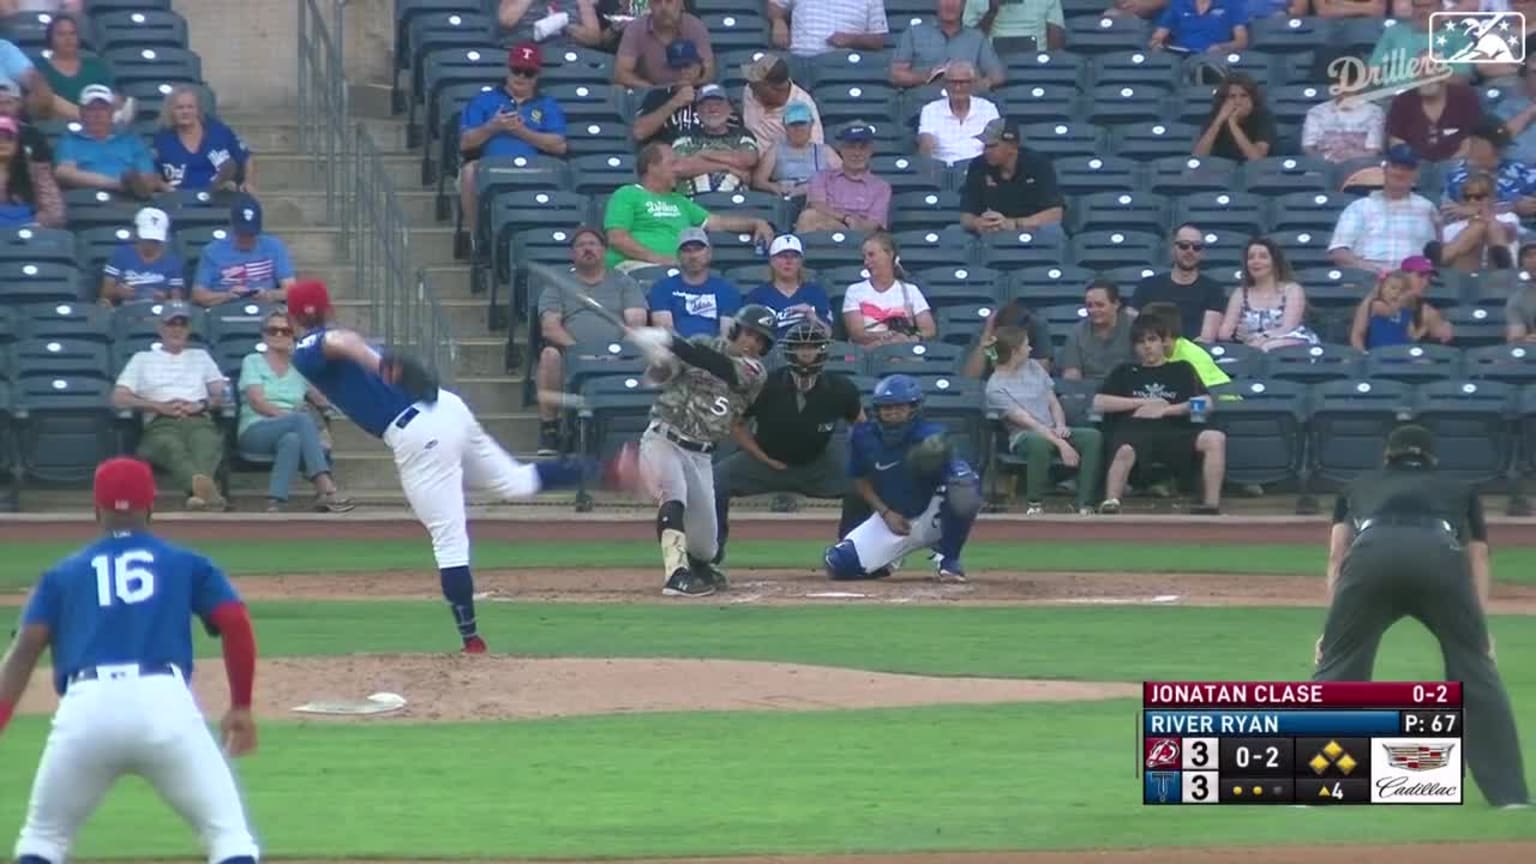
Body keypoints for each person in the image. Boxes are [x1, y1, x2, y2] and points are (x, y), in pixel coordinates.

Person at [285, 279, 628, 651]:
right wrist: (382, 363)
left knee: (448, 538)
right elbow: (344, 340)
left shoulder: (305, 350)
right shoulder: (329, 339)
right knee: (514, 482)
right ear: (329, 308)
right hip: (447, 409)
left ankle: (471, 640)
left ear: (292, 317)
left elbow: (341, 342)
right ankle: (604, 470)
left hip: (416, 431)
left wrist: (381, 364)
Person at [0, 457, 262, 864]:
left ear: (96, 508)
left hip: (86, 711)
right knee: (229, 838)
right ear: (151, 506)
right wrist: (241, 705)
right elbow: (235, 623)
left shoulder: (61, 574)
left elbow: (24, 652)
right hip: (165, 707)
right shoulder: (188, 563)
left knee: (43, 839)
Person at [1315, 424, 1530, 808]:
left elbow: (1337, 554)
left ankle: (1318, 785)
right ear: (1432, 458)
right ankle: (1509, 796)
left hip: (1371, 558)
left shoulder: (1356, 485)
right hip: (1439, 557)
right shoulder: (1460, 488)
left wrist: (1333, 629)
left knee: (1338, 668)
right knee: (1475, 672)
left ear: (1387, 456)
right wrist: (1479, 630)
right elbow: (1479, 555)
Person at [626, 304, 777, 596]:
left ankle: (697, 565)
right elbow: (658, 377)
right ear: (736, 330)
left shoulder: (755, 372)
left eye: (760, 341)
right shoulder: (701, 344)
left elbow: (718, 365)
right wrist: (658, 356)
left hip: (701, 453)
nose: (752, 343)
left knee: (707, 547)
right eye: (749, 334)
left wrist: (669, 340)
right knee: (673, 494)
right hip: (665, 437)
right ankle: (676, 574)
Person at [713, 320, 864, 560]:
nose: (806, 352)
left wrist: (858, 458)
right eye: (800, 346)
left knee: (863, 484)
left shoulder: (841, 388)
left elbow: (862, 425)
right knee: (715, 481)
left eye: (812, 346)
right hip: (764, 462)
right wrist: (762, 457)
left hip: (818, 463)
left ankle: (851, 553)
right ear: (789, 350)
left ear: (822, 350)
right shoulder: (764, 383)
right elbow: (736, 423)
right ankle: (710, 553)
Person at [823, 373, 982, 583]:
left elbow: (962, 476)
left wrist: (948, 467)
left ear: (913, 408)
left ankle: (948, 558)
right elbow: (860, 480)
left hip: (932, 515)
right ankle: (890, 560)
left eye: (900, 406)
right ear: (877, 409)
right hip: (895, 517)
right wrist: (886, 513)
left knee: (964, 488)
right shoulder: (863, 437)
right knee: (839, 564)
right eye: (887, 407)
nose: (893, 412)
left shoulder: (931, 436)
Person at [1094, 315, 1226, 515]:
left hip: (1175, 430)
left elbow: (1205, 404)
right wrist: (1144, 403)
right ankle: (1111, 502)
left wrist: (1166, 410)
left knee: (1215, 438)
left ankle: (1211, 505)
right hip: (1135, 430)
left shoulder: (1181, 369)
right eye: (1141, 342)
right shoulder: (1124, 371)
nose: (1147, 346)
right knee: (1124, 449)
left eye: (1152, 339)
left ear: (1163, 342)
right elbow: (1099, 402)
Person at [533, 227, 646, 454]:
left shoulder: (624, 282)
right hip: (573, 354)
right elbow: (550, 327)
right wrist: (581, 351)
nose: (587, 249)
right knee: (549, 355)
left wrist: (617, 351)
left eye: (593, 244)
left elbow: (636, 322)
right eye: (581, 245)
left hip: (620, 355)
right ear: (572, 253)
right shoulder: (558, 284)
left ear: (604, 250)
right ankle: (550, 429)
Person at [110, 302, 228, 511]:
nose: (177, 329)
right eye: (171, 324)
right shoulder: (142, 359)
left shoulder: (201, 357)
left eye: (182, 324)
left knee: (206, 443)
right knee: (172, 448)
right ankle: (208, 495)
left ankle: (199, 497)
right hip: (160, 424)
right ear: (160, 328)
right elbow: (118, 398)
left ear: (189, 329)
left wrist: (200, 405)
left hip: (198, 420)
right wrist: (157, 406)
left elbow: (223, 394)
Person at [237, 310, 353, 513]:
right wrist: (295, 419)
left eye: (286, 331)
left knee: (292, 440)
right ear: (264, 335)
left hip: (293, 429)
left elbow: (323, 400)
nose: (279, 335)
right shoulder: (252, 361)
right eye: (273, 330)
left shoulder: (300, 367)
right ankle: (325, 485)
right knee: (300, 421)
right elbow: (257, 402)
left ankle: (276, 501)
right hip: (255, 428)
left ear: (294, 336)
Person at [602, 141, 774, 272]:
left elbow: (716, 222)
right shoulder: (627, 194)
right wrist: (660, 259)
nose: (679, 169)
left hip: (674, 270)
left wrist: (755, 223)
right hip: (633, 267)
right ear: (652, 167)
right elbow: (617, 238)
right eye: (672, 163)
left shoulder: (679, 201)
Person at [457, 43, 569, 238]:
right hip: (491, 167)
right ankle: (478, 240)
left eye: (528, 73)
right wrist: (493, 126)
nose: (521, 77)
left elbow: (559, 145)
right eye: (517, 70)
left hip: (534, 168)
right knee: (468, 172)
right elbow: (466, 142)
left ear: (537, 76)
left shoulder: (546, 104)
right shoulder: (484, 99)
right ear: (508, 70)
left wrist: (521, 131)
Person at [987, 326, 1102, 516]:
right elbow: (1028, 422)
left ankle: (1085, 504)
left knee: (1092, 437)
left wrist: (1061, 425)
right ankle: (1035, 503)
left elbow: (1053, 402)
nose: (1030, 348)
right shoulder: (995, 387)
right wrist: (1062, 444)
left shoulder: (1034, 367)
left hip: (1052, 429)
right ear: (1015, 351)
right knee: (1038, 442)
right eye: (1026, 345)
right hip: (1025, 436)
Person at [1328, 146, 1440, 274]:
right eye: (1395, 167)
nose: (1399, 173)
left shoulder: (1427, 208)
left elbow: (1436, 256)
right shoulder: (1359, 207)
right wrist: (1376, 272)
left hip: (1412, 278)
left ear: (1416, 174)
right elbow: (1339, 252)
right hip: (1366, 276)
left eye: (1407, 169)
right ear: (1385, 169)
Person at [53, 85, 164, 199]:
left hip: (132, 200)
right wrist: (117, 184)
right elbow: (64, 173)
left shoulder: (131, 140)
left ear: (111, 112)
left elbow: (147, 175)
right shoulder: (70, 140)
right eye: (91, 109)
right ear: (81, 112)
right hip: (88, 199)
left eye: (103, 109)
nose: (97, 114)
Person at [960, 117, 1064, 239]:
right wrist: (977, 223)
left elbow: (1055, 214)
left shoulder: (1038, 164)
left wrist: (1014, 224)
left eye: (992, 146)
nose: (986, 151)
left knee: (1053, 231)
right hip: (993, 230)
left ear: (1012, 146)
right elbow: (966, 215)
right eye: (985, 146)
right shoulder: (978, 165)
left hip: (1032, 230)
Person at [190, 197, 296, 306]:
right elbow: (198, 295)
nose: (247, 239)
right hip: (226, 308)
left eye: (251, 234)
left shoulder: (274, 246)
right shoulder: (212, 251)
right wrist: (226, 296)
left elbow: (291, 290)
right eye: (242, 234)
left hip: (265, 309)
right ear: (233, 227)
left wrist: (270, 295)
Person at [1218, 237, 1319, 351]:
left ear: (1275, 262)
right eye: (1251, 257)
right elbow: (1224, 333)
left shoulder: (1292, 290)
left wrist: (1263, 338)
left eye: (1263, 257)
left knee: (1266, 348)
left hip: (1291, 342)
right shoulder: (1240, 293)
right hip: (1250, 346)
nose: (1256, 261)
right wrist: (1236, 333)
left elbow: (1288, 327)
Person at [1132, 225, 1226, 343]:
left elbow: (1207, 338)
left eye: (1197, 247)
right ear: (1172, 248)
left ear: (1202, 253)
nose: (1190, 251)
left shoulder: (1213, 289)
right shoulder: (1147, 286)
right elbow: (1133, 324)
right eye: (1184, 245)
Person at [153, 84, 255, 193]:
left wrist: (248, 182)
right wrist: (168, 189)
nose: (185, 112)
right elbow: (154, 175)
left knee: (229, 170)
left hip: (218, 194)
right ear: (171, 111)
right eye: (180, 108)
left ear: (198, 109)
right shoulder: (163, 139)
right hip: (180, 196)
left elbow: (246, 157)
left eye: (190, 107)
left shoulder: (218, 131)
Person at [843, 230, 938, 345]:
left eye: (871, 255)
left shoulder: (910, 291)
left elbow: (929, 329)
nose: (866, 262)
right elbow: (857, 334)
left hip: (903, 348)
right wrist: (886, 337)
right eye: (864, 257)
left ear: (890, 254)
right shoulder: (854, 291)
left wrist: (912, 339)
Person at [648, 227, 743, 337]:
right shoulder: (662, 288)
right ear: (678, 255)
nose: (693, 256)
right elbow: (666, 330)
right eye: (687, 250)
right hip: (675, 346)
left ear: (709, 253)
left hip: (714, 346)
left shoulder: (727, 290)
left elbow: (726, 333)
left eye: (698, 249)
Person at [889, 0, 1005, 90]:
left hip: (965, 101)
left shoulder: (976, 37)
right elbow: (896, 75)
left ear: (963, 5)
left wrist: (976, 85)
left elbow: (997, 75)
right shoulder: (914, 33)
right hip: (924, 99)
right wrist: (927, 76)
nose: (950, 4)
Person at [796, 122, 890, 232]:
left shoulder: (881, 187)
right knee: (808, 217)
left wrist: (851, 227)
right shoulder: (822, 178)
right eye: (851, 147)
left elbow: (872, 225)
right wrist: (845, 218)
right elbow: (816, 205)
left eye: (862, 148)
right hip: (823, 233)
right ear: (841, 149)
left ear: (871, 151)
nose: (856, 153)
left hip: (861, 236)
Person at [670, 83, 759, 196]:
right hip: (692, 200)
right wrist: (727, 167)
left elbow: (747, 160)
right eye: (706, 105)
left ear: (730, 108)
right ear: (698, 110)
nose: (712, 109)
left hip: (734, 200)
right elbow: (680, 167)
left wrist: (703, 154)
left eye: (718, 104)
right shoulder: (686, 135)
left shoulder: (742, 134)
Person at [1385, 67, 1482, 163]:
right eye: (1420, 71)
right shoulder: (1402, 101)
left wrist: (1448, 165)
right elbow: (1396, 142)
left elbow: (1470, 142)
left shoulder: (1464, 97)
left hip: (1457, 163)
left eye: (1431, 69)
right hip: (1413, 166)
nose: (1425, 77)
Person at [613, 0, 715, 89]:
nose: (663, 8)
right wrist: (653, 90)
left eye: (669, 1)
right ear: (650, 5)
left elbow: (709, 71)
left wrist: (696, 79)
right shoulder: (635, 29)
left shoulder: (695, 26)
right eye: (657, 1)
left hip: (691, 91)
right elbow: (621, 74)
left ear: (681, 3)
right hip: (650, 94)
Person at [745, 233, 833, 334]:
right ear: (772, 261)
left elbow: (828, 334)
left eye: (794, 256)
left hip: (806, 344)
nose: (788, 261)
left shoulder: (816, 293)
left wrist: (813, 318)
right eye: (783, 256)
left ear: (801, 261)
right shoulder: (757, 296)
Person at [916, 62, 1000, 167]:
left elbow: (995, 143)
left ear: (972, 84)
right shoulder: (931, 109)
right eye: (952, 83)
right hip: (942, 167)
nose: (957, 88)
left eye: (963, 83)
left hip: (978, 168)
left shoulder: (988, 108)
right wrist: (926, 143)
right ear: (945, 85)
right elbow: (926, 141)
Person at [34, 14, 114, 121]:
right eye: (61, 34)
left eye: (72, 33)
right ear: (50, 38)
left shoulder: (97, 67)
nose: (68, 39)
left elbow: (110, 97)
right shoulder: (40, 68)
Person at [752, 101, 839, 198]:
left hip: (818, 198)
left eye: (802, 124)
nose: (798, 129)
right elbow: (758, 181)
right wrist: (775, 188)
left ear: (811, 124)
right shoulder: (776, 150)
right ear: (785, 126)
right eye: (793, 125)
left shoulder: (825, 151)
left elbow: (843, 179)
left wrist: (810, 188)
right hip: (786, 197)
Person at [100, 206, 185, 304]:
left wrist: (164, 298)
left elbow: (177, 300)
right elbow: (104, 295)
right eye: (147, 239)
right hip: (126, 309)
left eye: (155, 241)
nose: (151, 244)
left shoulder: (172, 262)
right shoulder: (121, 255)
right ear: (137, 234)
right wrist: (118, 292)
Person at [631, 39, 707, 147]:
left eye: (687, 66)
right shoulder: (657, 96)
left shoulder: (713, 94)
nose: (682, 71)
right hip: (668, 153)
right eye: (676, 67)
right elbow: (639, 133)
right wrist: (675, 102)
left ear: (699, 67)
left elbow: (729, 134)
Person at [1438, 172, 1519, 272]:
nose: (1472, 201)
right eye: (1467, 197)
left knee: (1484, 226)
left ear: (1492, 198)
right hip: (1465, 273)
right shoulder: (1451, 228)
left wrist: (1478, 214)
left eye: (1478, 197)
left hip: (1501, 273)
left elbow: (1510, 232)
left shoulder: (1508, 217)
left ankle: (1503, 271)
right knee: (1476, 228)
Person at [1140, 300, 1231, 389]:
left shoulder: (1192, 358)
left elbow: (1205, 394)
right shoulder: (1148, 352)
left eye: (1151, 338)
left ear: (1166, 336)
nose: (1146, 344)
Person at [741, 52, 824, 147]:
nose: (750, 84)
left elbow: (814, 149)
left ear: (772, 88)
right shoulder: (749, 91)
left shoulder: (803, 106)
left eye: (755, 83)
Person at [1061, 279, 1134, 381]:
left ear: (1116, 304)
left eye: (1100, 305)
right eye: (1089, 306)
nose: (1094, 310)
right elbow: (1072, 371)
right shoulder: (1077, 332)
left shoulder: (1134, 327)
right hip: (1089, 387)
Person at [1192, 74, 1274, 163]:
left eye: (1244, 96)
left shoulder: (1263, 116)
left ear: (1252, 99)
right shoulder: (1215, 116)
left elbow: (1257, 159)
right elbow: (1198, 157)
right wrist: (1219, 121)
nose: (1238, 101)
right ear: (1224, 100)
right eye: (1232, 96)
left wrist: (1233, 123)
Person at [0, 114, 62, 228]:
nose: (2, 142)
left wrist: (31, 224)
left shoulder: (35, 171)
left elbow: (55, 215)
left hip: (28, 230)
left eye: (8, 137)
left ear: (17, 143)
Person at [768, 0, 889, 56]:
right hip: (801, 57)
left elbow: (878, 40)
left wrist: (852, 39)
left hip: (843, 63)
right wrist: (778, 22)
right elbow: (775, 4)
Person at [1302, 92, 1385, 164]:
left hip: (1361, 168)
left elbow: (1373, 151)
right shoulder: (1316, 111)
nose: (1345, 91)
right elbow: (1309, 147)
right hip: (1324, 167)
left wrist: (1350, 156)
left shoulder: (1374, 112)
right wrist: (1327, 160)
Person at [1350, 270, 1424, 351]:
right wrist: (1405, 297)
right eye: (1393, 288)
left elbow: (1412, 336)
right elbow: (1389, 312)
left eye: (1402, 290)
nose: (1397, 292)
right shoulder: (1376, 304)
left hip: (1403, 353)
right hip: (1380, 353)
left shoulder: (1406, 311)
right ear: (1382, 288)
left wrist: (1424, 328)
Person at [1148, 0, 1250, 54]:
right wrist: (1156, 44)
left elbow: (1241, 42)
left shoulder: (1232, 3)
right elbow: (1158, 36)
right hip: (1180, 57)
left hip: (1215, 58)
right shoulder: (1178, 3)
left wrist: (1222, 47)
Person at [965, 0, 1066, 53]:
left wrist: (1044, 63)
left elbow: (1057, 39)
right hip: (990, 64)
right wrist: (992, 11)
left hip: (1036, 64)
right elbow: (967, 42)